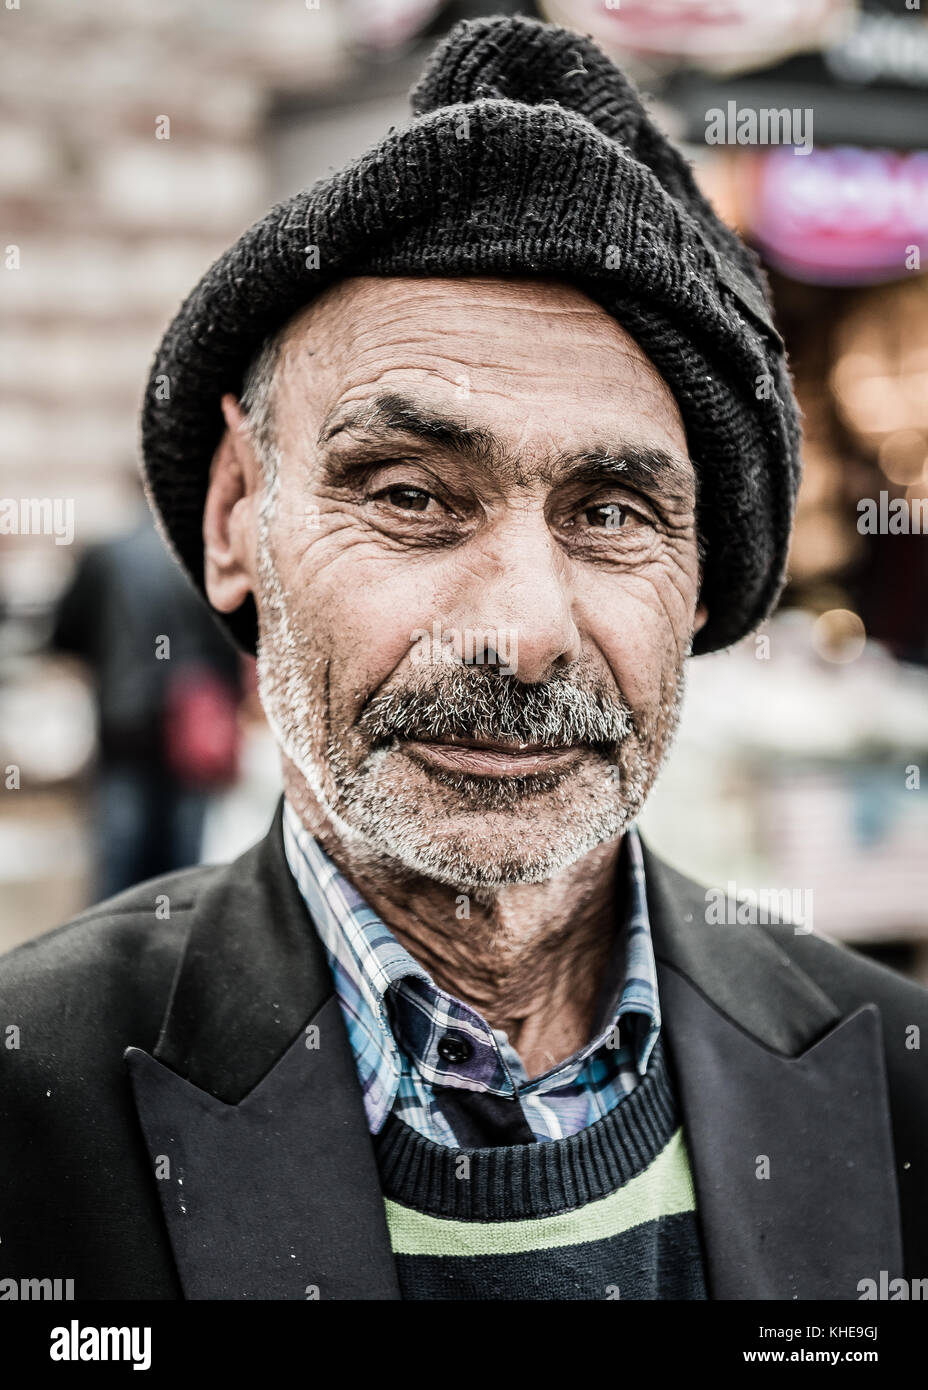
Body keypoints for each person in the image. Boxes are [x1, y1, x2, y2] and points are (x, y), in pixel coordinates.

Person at [1, 15, 924, 1302]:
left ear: (702, 576)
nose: (523, 630)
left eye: (610, 514)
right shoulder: (30, 1106)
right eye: (409, 494)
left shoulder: (897, 1086)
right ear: (234, 520)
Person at [52, 509, 244, 898]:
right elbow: (229, 643)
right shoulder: (204, 559)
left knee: (120, 857)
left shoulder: (107, 554)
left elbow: (64, 633)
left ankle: (114, 947)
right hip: (191, 730)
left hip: (124, 722)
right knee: (182, 862)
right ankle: (173, 945)